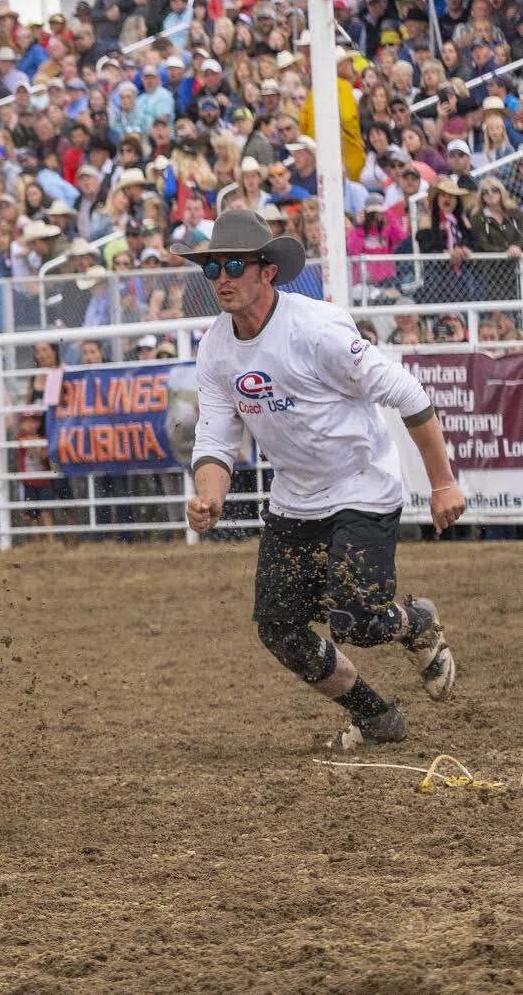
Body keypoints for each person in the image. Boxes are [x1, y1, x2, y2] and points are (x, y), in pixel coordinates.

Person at [179, 210, 463, 752]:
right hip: (295, 498)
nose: (222, 277)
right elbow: (215, 437)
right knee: (279, 629)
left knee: (354, 619)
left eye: (234, 264)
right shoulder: (216, 347)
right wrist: (209, 498)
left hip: (360, 486)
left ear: (267, 271)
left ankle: (415, 620)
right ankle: (376, 715)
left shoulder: (317, 330)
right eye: (212, 268)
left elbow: (407, 394)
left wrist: (443, 483)